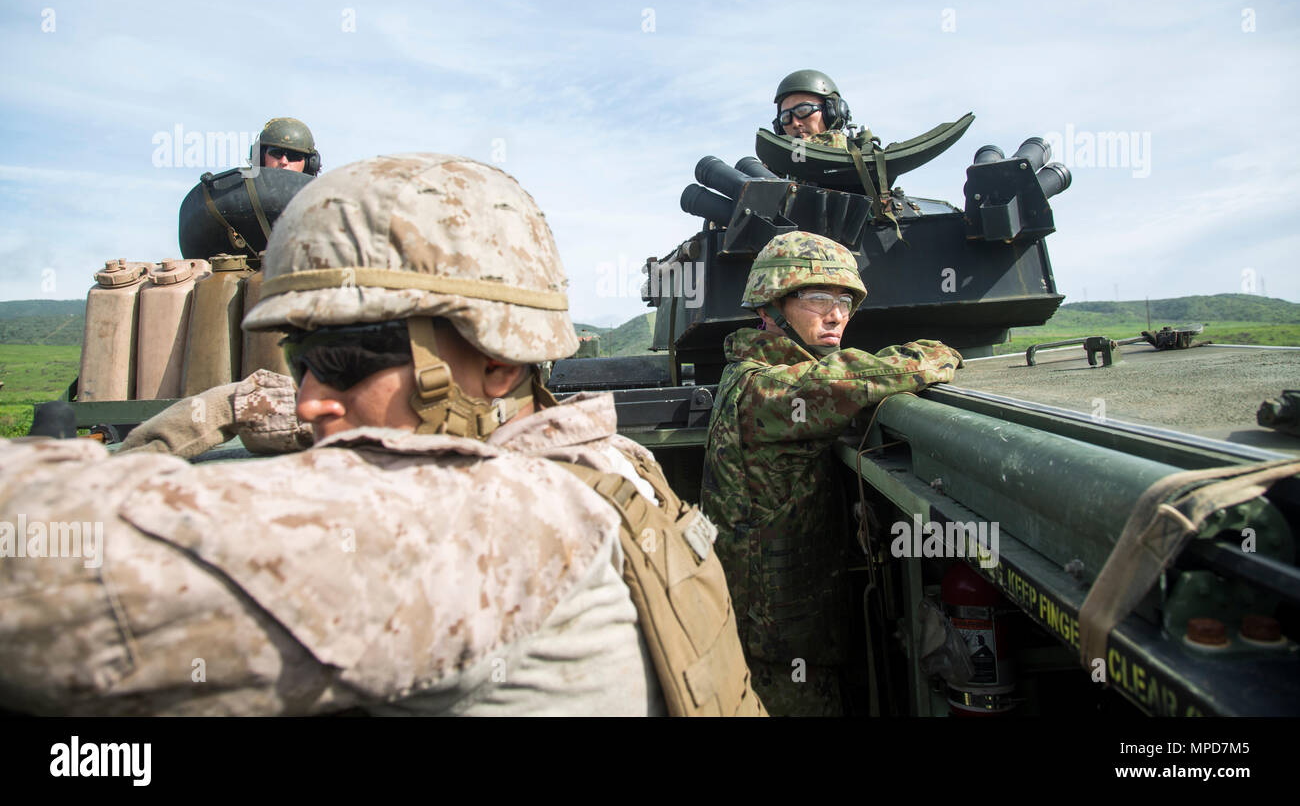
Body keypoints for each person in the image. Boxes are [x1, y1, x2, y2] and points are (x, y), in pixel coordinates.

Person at [0, 153, 762, 717]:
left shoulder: (479, 518)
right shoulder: (604, 457)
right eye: (299, 360)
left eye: (344, 358)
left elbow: (51, 560)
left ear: (497, 358)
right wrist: (230, 408)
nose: (309, 403)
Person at [701, 230, 963, 716]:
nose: (837, 313)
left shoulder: (756, 371)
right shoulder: (767, 388)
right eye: (818, 297)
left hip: (786, 622)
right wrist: (936, 354)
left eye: (845, 300)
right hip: (780, 638)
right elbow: (850, 378)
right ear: (770, 305)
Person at [772, 69, 854, 149]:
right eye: (786, 117)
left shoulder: (860, 158)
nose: (795, 123)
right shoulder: (774, 160)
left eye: (803, 111)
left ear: (832, 112)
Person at [251, 116, 322, 175]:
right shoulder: (243, 189)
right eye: (276, 153)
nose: (283, 161)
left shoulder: (320, 191)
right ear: (261, 156)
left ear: (309, 163)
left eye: (293, 156)